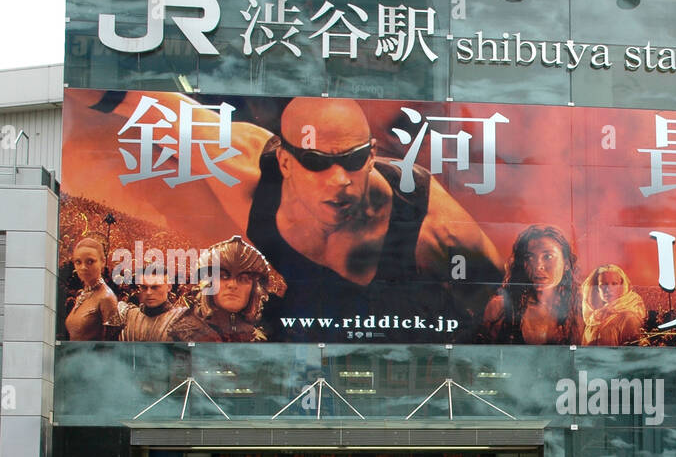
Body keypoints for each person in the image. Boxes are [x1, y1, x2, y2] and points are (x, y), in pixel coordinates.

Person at [249, 97, 504, 342]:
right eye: (315, 161)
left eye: (353, 159)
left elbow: (500, 302)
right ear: (284, 162)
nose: (339, 180)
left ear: (371, 155)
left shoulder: (435, 228)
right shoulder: (246, 176)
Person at [481, 225, 583, 345]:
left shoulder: (578, 310)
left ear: (566, 263)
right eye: (529, 257)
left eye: (548, 256)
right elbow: (484, 357)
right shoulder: (501, 307)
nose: (537, 266)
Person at [169, 236, 271, 342]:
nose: (232, 285)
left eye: (243, 279)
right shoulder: (184, 335)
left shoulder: (259, 338)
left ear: (254, 290)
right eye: (223, 276)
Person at [64, 236, 124, 341]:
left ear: (102, 262)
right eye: (78, 262)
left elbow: (111, 345)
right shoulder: (81, 294)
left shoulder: (106, 298)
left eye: (90, 261)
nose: (83, 267)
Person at [580, 264, 647, 346]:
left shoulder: (629, 317)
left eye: (614, 284)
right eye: (603, 285)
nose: (608, 289)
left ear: (622, 286)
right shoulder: (594, 318)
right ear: (597, 289)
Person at [119, 270, 190, 341]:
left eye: (155, 287)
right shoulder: (127, 315)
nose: (148, 292)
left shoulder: (183, 320)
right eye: (144, 287)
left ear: (169, 287)